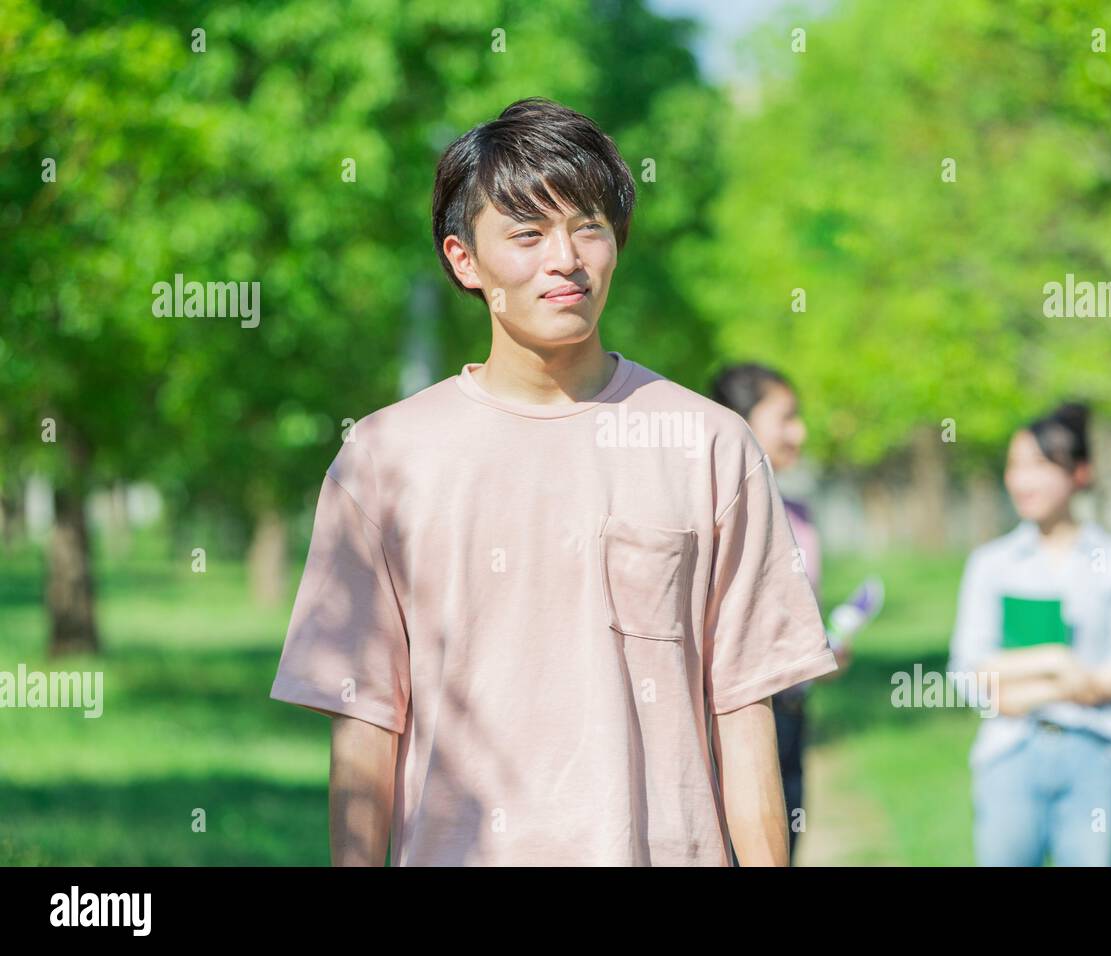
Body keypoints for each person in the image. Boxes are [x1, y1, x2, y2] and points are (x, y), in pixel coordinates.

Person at [268, 98, 838, 866]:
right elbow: (365, 722)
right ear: (463, 260)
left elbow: (744, 706)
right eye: (528, 234)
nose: (564, 258)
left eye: (588, 226)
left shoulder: (710, 446)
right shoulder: (385, 458)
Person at [947, 402, 1111, 866]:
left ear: (1079, 472)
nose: (1023, 480)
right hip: (1009, 750)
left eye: (1041, 465)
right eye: (1015, 466)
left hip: (1097, 749)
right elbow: (969, 670)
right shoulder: (992, 563)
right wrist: (1056, 661)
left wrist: (1021, 685)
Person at [711, 363, 883, 864]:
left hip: (792, 713)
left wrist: (822, 652)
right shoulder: (709, 508)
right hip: (733, 720)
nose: (799, 432)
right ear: (739, 420)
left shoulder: (802, 518)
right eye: (786, 418)